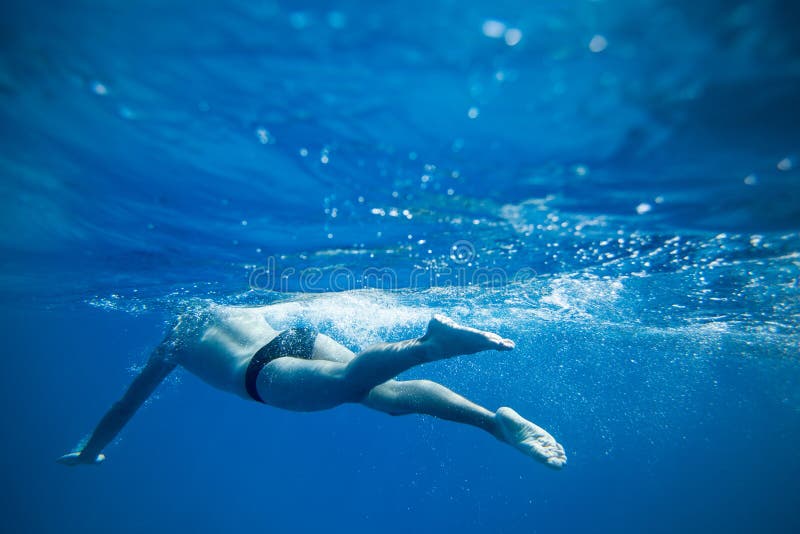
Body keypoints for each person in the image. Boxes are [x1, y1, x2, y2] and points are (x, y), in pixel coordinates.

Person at [58, 306, 566, 469]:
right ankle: (493, 423)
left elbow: (125, 405)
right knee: (388, 398)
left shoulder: (174, 339)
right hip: (293, 336)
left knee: (349, 385)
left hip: (258, 371)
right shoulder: (231, 306)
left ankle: (429, 345)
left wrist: (89, 453)